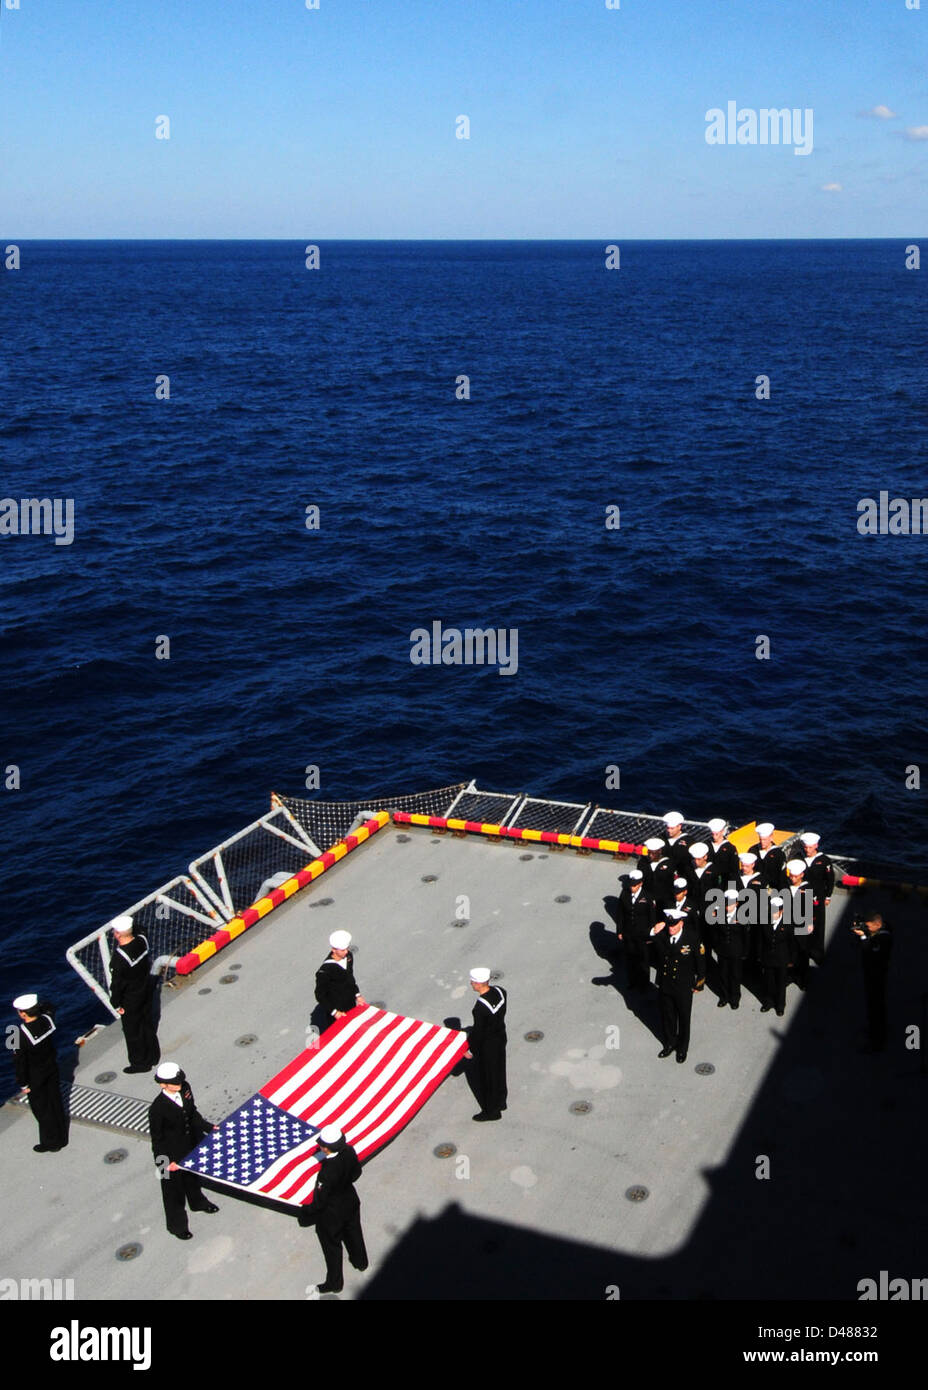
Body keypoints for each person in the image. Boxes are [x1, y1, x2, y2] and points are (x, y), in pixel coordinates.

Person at [148, 1062, 219, 1240]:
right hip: (169, 1155)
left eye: (179, 1081)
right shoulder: (157, 1109)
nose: (179, 1085)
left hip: (189, 1145)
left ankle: (198, 1202)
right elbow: (157, 1140)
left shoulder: (185, 1088)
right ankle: (177, 1225)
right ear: (162, 1084)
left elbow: (192, 1113)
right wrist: (164, 1163)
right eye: (174, 1082)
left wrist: (209, 1128)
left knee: (192, 1177)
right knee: (172, 1192)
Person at [311, 1126, 368, 1294]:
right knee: (355, 1232)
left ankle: (335, 1282)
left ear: (326, 1147)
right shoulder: (349, 1151)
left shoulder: (326, 1174)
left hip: (332, 1214)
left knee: (332, 1247)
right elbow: (356, 1173)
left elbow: (319, 1203)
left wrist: (305, 1213)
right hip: (350, 1202)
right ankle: (360, 1261)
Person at [12, 993, 68, 1153]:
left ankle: (51, 1142)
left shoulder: (16, 1033)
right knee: (55, 1101)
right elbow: (50, 1006)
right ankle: (62, 1136)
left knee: (42, 1109)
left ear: (22, 1013)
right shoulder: (48, 1019)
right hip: (51, 1067)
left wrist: (23, 1083)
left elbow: (18, 1061)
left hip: (34, 1076)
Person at [109, 915, 160, 1074]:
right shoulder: (142, 941)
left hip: (131, 998)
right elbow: (141, 929)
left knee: (132, 1031)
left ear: (117, 934)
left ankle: (140, 1063)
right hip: (145, 988)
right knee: (146, 1022)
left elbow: (117, 985)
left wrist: (116, 1003)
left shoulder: (119, 959)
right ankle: (153, 1055)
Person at [650, 909, 702, 1063]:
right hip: (666, 984)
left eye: (674, 925)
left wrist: (699, 983)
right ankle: (670, 1043)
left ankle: (682, 1049)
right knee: (668, 1016)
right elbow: (644, 938)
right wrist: (654, 930)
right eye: (669, 925)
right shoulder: (662, 935)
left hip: (683, 986)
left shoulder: (691, 938)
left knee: (684, 1018)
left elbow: (700, 962)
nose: (671, 928)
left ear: (681, 923)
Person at [465, 967, 507, 1121]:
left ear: (478, 983)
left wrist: (470, 1050)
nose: (471, 984)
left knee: (488, 1078)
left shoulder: (480, 1008)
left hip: (488, 1046)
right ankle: (501, 1100)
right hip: (500, 1037)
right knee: (499, 1071)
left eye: (472, 982)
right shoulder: (501, 992)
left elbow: (478, 1032)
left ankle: (492, 1111)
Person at [853, 913, 893, 1052]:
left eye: (869, 926)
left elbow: (870, 953)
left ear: (877, 925)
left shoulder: (884, 939)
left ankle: (877, 1041)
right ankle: (873, 1029)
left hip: (876, 976)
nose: (867, 928)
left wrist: (863, 937)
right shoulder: (881, 929)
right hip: (873, 974)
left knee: (876, 1006)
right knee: (873, 1006)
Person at [315, 930, 366, 1028]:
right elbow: (320, 995)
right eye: (343, 950)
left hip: (350, 1003)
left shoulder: (349, 957)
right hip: (337, 1009)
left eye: (346, 948)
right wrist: (335, 1012)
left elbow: (350, 977)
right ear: (334, 950)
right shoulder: (325, 971)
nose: (346, 952)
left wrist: (357, 995)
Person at [799, 833, 835, 964]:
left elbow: (830, 879)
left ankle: (817, 951)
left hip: (817, 898)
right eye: (805, 847)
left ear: (816, 846)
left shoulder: (824, 861)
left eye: (810, 847)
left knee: (818, 924)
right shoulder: (799, 858)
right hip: (802, 896)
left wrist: (828, 896)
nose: (807, 850)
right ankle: (803, 949)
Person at [616, 870, 655, 990]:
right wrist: (620, 931)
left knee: (643, 960)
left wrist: (650, 935)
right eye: (631, 885)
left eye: (634, 885)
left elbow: (652, 917)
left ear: (640, 884)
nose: (632, 887)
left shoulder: (647, 897)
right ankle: (632, 982)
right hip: (629, 934)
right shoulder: (624, 894)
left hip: (642, 935)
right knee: (631, 959)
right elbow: (621, 914)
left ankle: (644, 984)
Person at [713, 889, 748, 1009]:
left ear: (737, 903)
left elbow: (745, 935)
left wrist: (744, 952)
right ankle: (724, 997)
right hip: (723, 950)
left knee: (735, 975)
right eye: (726, 904)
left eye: (731, 904)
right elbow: (716, 933)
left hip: (736, 951)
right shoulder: (720, 914)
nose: (728, 906)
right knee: (723, 974)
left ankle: (735, 998)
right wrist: (717, 947)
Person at [759, 897, 791, 1016]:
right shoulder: (765, 922)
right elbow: (761, 940)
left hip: (781, 958)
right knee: (768, 981)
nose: (773, 913)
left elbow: (791, 942)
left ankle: (780, 1005)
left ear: (781, 911)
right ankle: (768, 1002)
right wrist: (760, 956)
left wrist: (790, 959)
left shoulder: (787, 923)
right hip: (768, 957)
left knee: (781, 983)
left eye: (776, 911)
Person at [638, 837, 675, 910]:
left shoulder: (668, 863)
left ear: (659, 851)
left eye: (653, 853)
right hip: (647, 896)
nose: (650, 855)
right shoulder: (643, 863)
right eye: (649, 852)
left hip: (663, 898)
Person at [750, 823, 786, 891]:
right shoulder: (753, 850)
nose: (762, 842)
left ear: (771, 838)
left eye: (765, 840)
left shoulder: (778, 854)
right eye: (760, 839)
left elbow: (781, 877)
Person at [706, 818, 739, 888]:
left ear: (722, 832)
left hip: (724, 884)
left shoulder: (730, 848)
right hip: (708, 882)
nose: (714, 836)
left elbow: (734, 871)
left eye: (716, 834)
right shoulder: (706, 845)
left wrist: (732, 889)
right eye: (712, 834)